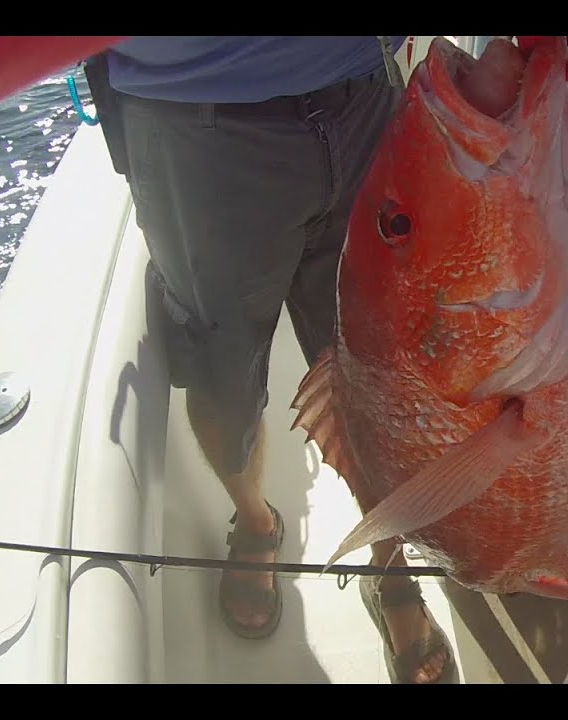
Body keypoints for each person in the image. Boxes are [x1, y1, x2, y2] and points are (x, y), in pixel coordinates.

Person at [90, 36, 451, 684]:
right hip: (193, 121)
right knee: (222, 375)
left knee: (386, 372)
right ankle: (256, 521)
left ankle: (390, 561)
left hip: (363, 94)